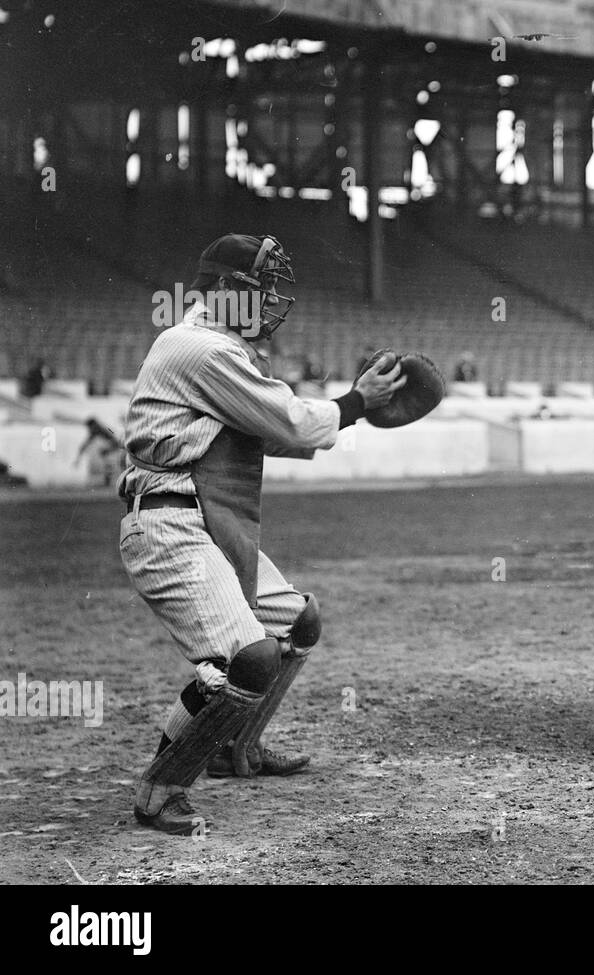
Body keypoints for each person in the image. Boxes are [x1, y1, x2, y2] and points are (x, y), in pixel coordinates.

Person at [118, 233, 405, 835]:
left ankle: (232, 746)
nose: (270, 303)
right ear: (222, 291)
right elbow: (291, 424)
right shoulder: (197, 347)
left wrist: (344, 412)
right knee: (246, 659)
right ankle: (160, 787)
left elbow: (272, 435)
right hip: (168, 525)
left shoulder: (223, 350)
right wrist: (355, 402)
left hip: (204, 521)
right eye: (258, 290)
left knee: (298, 622)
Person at [76, 417, 124, 487]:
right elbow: (85, 444)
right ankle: (108, 483)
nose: (89, 430)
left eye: (90, 428)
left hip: (116, 449)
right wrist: (78, 458)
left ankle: (114, 483)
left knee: (110, 465)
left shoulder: (103, 430)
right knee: (107, 465)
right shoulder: (99, 430)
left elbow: (115, 440)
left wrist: (108, 450)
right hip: (112, 450)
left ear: (94, 425)